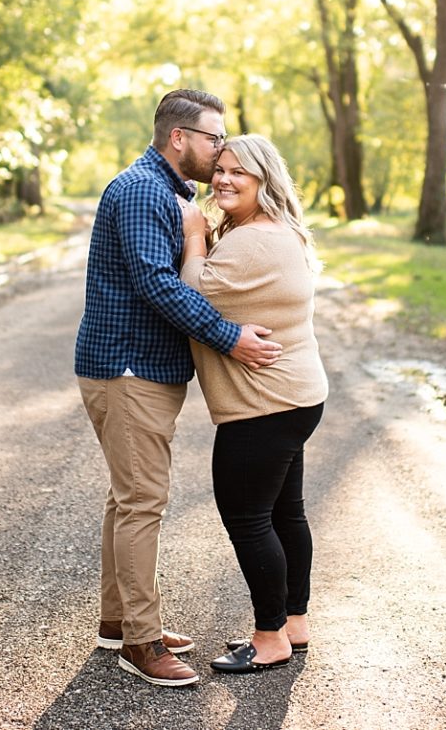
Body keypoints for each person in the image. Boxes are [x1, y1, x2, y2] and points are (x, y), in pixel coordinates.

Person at [74, 89, 284, 688]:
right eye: (214, 138)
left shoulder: (168, 191)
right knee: (143, 502)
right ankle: (140, 642)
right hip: (128, 369)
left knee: (126, 498)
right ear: (179, 138)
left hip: (136, 369)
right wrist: (230, 338)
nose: (220, 150)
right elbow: (157, 285)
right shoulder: (145, 191)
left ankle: (119, 622)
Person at [179, 134, 328, 675]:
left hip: (265, 404)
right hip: (294, 398)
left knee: (247, 518)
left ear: (265, 179)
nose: (223, 179)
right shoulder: (272, 230)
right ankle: (295, 621)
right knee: (286, 513)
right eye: (219, 169)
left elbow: (193, 289)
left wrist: (194, 233)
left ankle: (269, 638)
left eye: (238, 172)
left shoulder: (253, 241)